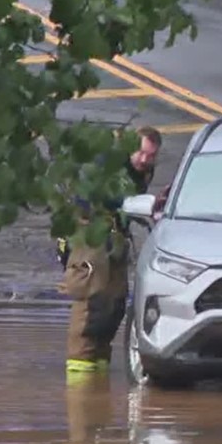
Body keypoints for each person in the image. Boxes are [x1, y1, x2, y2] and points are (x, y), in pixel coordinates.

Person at [57, 126, 164, 374]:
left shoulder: (142, 170)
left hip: (116, 234)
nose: (145, 160)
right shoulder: (105, 162)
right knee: (92, 299)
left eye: (151, 155)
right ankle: (80, 373)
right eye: (141, 153)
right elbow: (88, 196)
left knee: (115, 302)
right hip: (90, 232)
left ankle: (99, 364)